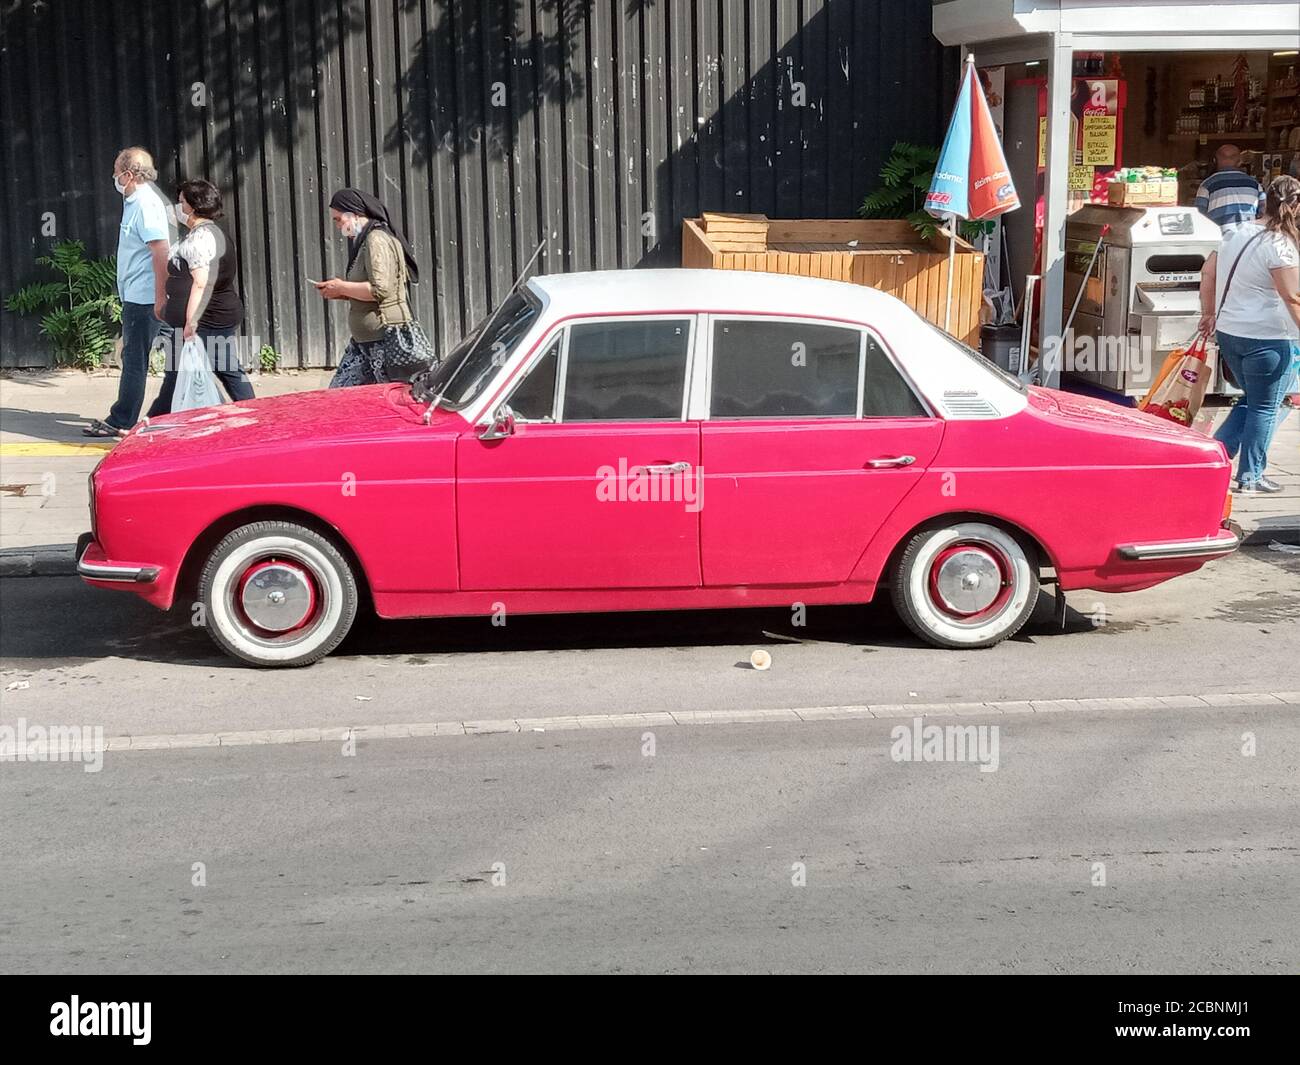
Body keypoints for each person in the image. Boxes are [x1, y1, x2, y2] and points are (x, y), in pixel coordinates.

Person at [1199, 174, 1300, 494]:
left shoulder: (1234, 232)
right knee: (1266, 407)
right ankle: (1251, 476)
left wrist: (1208, 313)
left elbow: (1207, 273)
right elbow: (1292, 297)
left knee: (1255, 400)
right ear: (1294, 207)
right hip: (1268, 337)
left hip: (1230, 333)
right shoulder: (1280, 245)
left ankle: (1214, 458)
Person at [147, 179, 255, 415]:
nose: (178, 206)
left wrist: (191, 320)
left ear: (193, 206)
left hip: (208, 318)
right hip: (206, 317)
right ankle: (154, 422)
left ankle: (255, 415)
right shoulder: (202, 233)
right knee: (181, 372)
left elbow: (201, 282)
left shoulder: (202, 238)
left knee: (223, 368)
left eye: (181, 202)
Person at [84, 147, 171, 437]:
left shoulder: (145, 204)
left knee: (135, 359)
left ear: (129, 175)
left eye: (116, 172)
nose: (114, 177)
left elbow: (160, 250)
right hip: (139, 293)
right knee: (175, 357)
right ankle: (165, 411)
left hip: (144, 297)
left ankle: (122, 419)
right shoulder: (135, 201)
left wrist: (161, 296)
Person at [316, 188, 434, 387]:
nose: (337, 226)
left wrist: (342, 287)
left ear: (352, 214)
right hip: (366, 342)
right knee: (343, 399)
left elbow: (380, 290)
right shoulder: (366, 240)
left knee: (384, 401)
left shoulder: (375, 239)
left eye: (338, 219)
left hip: (384, 340)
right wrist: (339, 291)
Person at [1194, 144, 1266, 229]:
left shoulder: (1206, 185)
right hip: (1249, 239)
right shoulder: (1255, 184)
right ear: (1239, 161)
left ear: (1215, 160)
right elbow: (1262, 214)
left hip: (1220, 239)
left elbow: (1199, 217)